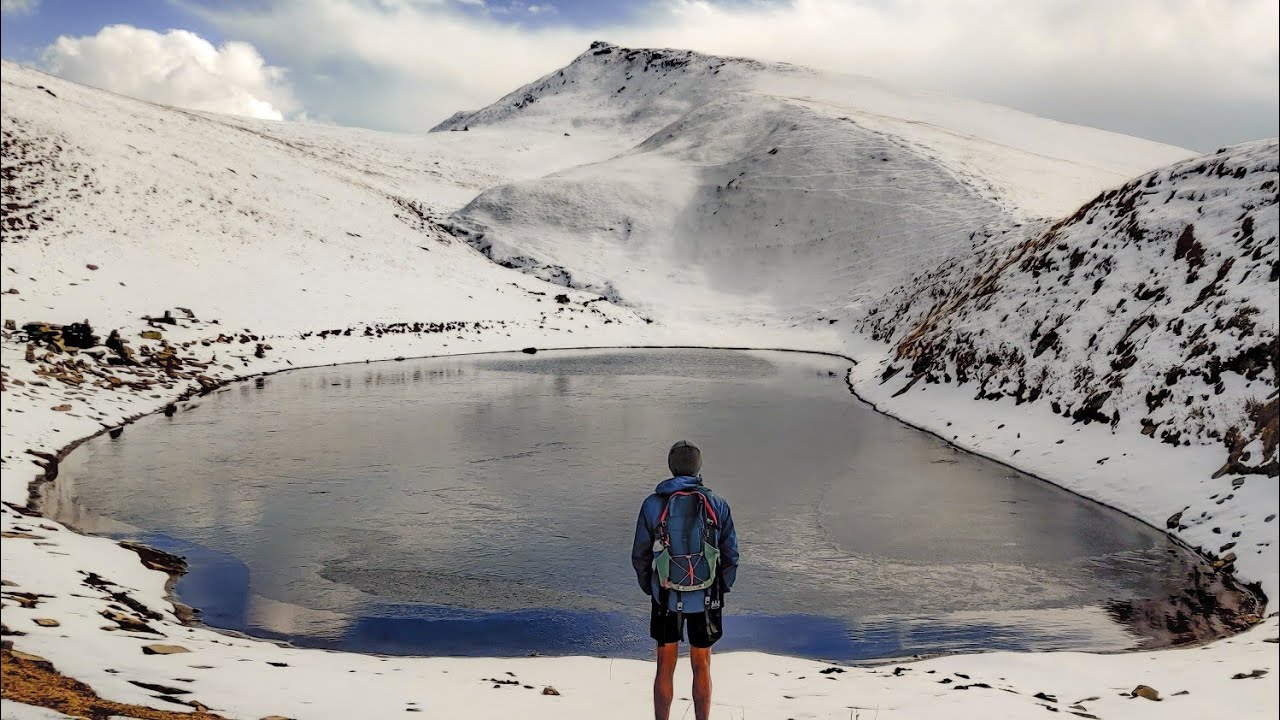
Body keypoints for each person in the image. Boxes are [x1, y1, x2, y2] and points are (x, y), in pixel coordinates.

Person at [631, 440, 738, 720]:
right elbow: (731, 556)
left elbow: (640, 555)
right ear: (698, 467)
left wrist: (651, 587)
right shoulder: (717, 503)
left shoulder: (653, 504)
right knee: (702, 664)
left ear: (671, 467)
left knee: (664, 666)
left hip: (666, 595)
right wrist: (720, 588)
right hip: (706, 596)